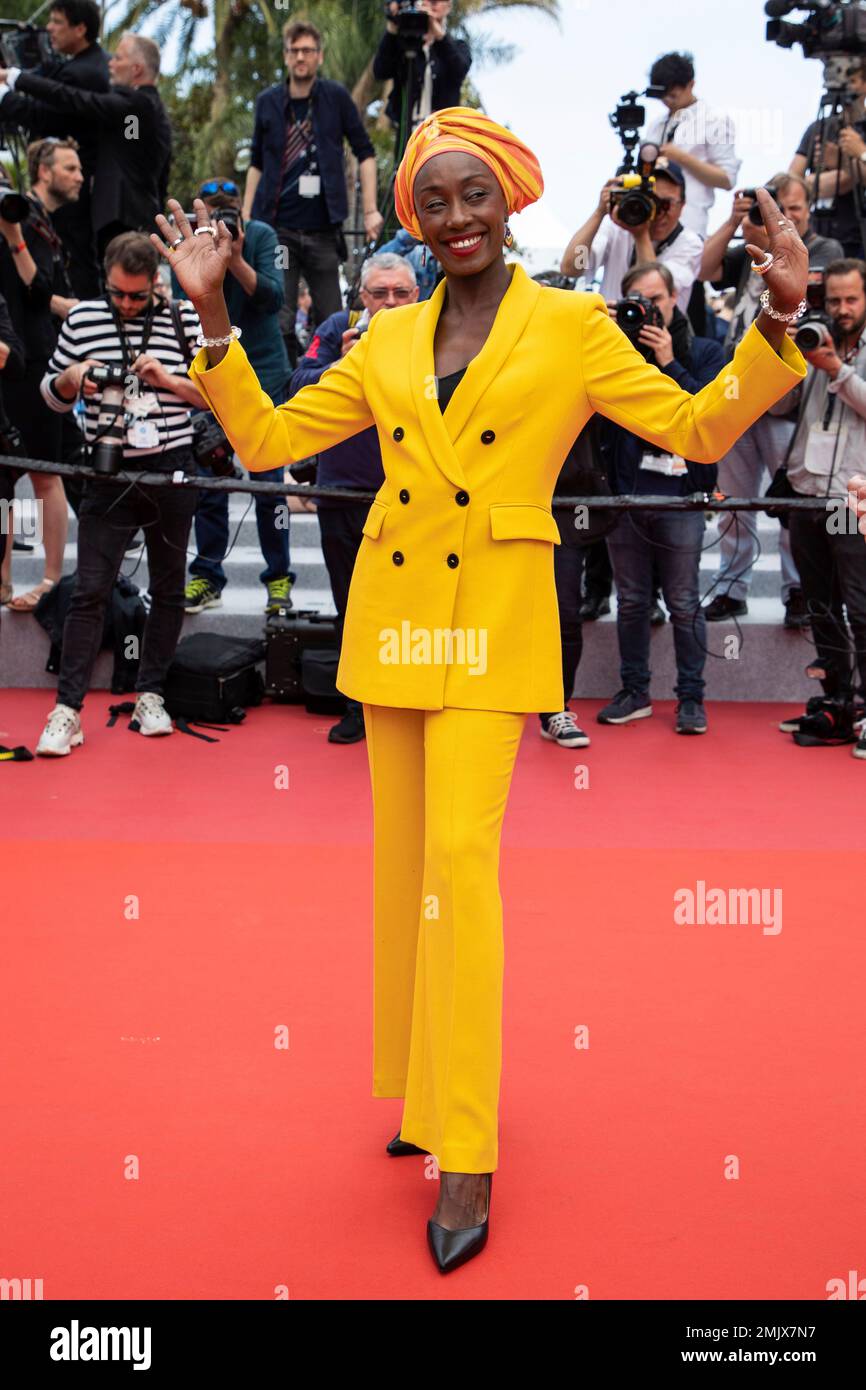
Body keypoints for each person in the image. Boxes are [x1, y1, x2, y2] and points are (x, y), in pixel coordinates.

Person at [154, 107, 807, 1273]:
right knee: (407, 873)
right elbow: (269, 439)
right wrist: (211, 313)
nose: (455, 218)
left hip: (493, 631)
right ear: (412, 215)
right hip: (397, 626)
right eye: (433, 201)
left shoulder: (570, 326)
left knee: (462, 868)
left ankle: (468, 1143)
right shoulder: (382, 339)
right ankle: (417, 1091)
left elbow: (696, 428)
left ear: (510, 200)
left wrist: (777, 319)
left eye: (474, 196)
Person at [33, 233, 205, 756]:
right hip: (106, 470)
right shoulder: (83, 318)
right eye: (118, 294)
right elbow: (49, 396)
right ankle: (68, 710)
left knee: (170, 588)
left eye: (137, 295)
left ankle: (151, 694)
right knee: (89, 591)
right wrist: (71, 378)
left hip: (172, 464)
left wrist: (168, 378)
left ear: (156, 281)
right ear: (105, 280)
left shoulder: (183, 318)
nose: (127, 304)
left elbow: (217, 397)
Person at [700, 175, 843, 627]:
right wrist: (735, 224)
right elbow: (705, 271)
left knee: (789, 504)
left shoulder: (822, 251)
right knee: (733, 501)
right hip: (739, 398)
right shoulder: (748, 254)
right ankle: (730, 587)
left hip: (786, 400)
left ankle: (796, 589)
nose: (789, 217)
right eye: (779, 210)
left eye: (795, 208)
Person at [290, 252, 420, 745]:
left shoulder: (435, 331)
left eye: (400, 293)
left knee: (412, 606)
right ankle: (357, 706)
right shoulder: (337, 327)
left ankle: (407, 703)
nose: (389, 302)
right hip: (341, 490)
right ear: (361, 296)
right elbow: (295, 387)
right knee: (352, 604)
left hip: (413, 493)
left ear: (417, 295)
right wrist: (343, 364)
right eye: (379, 293)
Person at [596, 260, 723, 734]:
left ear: (675, 301)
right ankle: (634, 692)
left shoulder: (705, 351)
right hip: (625, 496)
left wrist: (669, 362)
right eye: (638, 302)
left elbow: (707, 417)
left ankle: (691, 698)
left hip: (682, 496)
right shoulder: (612, 356)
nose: (648, 311)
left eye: (658, 300)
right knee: (630, 601)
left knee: (685, 601)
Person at [173, 179, 293, 617]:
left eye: (229, 209)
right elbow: (186, 302)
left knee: (268, 487)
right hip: (214, 375)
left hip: (264, 373)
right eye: (213, 210)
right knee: (212, 482)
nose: (222, 219)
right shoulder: (190, 239)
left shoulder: (259, 235)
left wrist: (237, 259)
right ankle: (207, 576)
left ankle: (278, 579)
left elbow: (272, 300)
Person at [242, 19, 384, 368]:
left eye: (307, 50)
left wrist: (370, 210)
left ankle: (330, 383)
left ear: (319, 56)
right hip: (280, 231)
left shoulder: (335, 98)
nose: (300, 57)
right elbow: (256, 162)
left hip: (324, 230)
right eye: (294, 51)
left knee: (331, 315)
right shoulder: (268, 102)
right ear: (286, 56)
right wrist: (246, 216)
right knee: (281, 315)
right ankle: (286, 388)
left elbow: (365, 152)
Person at [772, 259, 866, 758]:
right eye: (834, 300)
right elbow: (779, 409)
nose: (842, 310)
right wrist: (789, 356)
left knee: (863, 610)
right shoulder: (813, 338)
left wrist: (838, 371)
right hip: (807, 494)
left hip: (855, 499)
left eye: (851, 300)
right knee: (823, 609)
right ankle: (836, 705)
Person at [0, 33, 172, 261]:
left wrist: (14, 78)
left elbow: (76, 99)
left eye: (118, 58)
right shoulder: (140, 115)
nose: (110, 63)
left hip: (122, 219)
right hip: (136, 218)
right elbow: (133, 145)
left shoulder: (136, 106)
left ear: (136, 69)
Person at [0, 138, 82, 612]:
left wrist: (16, 237)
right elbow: (36, 292)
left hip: (37, 360)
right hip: (11, 359)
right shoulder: (20, 213)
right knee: (5, 479)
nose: (79, 176)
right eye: (70, 168)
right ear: (44, 171)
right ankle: (4, 578)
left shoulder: (40, 223)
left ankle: (51, 578)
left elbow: (42, 291)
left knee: (46, 472)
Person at [0, 1, 109, 298]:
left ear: (80, 28)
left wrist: (4, 92)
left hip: (73, 199)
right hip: (74, 195)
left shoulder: (85, 72)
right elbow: (47, 75)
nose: (49, 29)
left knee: (73, 258)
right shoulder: (78, 65)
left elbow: (42, 114)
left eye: (57, 22)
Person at [641, 50, 741, 334]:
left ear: (690, 85)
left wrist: (680, 158)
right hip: (651, 227)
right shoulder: (657, 125)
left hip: (690, 226)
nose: (667, 102)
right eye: (663, 97)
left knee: (684, 300)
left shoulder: (714, 120)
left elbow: (726, 177)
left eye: (673, 95)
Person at [561, 158, 703, 314]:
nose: (659, 213)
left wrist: (640, 234)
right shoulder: (616, 228)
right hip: (611, 329)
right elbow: (572, 268)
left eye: (666, 204)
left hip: (656, 335)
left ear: (682, 205)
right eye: (652, 201)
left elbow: (655, 288)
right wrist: (599, 212)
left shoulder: (690, 244)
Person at [789, 60, 866, 260]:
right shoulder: (818, 128)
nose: (847, 85)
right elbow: (792, 181)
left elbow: (855, 180)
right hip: (816, 234)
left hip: (857, 237)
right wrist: (843, 174)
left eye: (853, 80)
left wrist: (849, 158)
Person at [374, 1, 471, 138]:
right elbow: (380, 71)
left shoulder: (458, 46)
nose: (430, 5)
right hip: (407, 132)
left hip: (443, 133)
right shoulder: (407, 47)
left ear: (448, 6)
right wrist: (392, 28)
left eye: (435, 1)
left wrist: (438, 33)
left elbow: (459, 69)